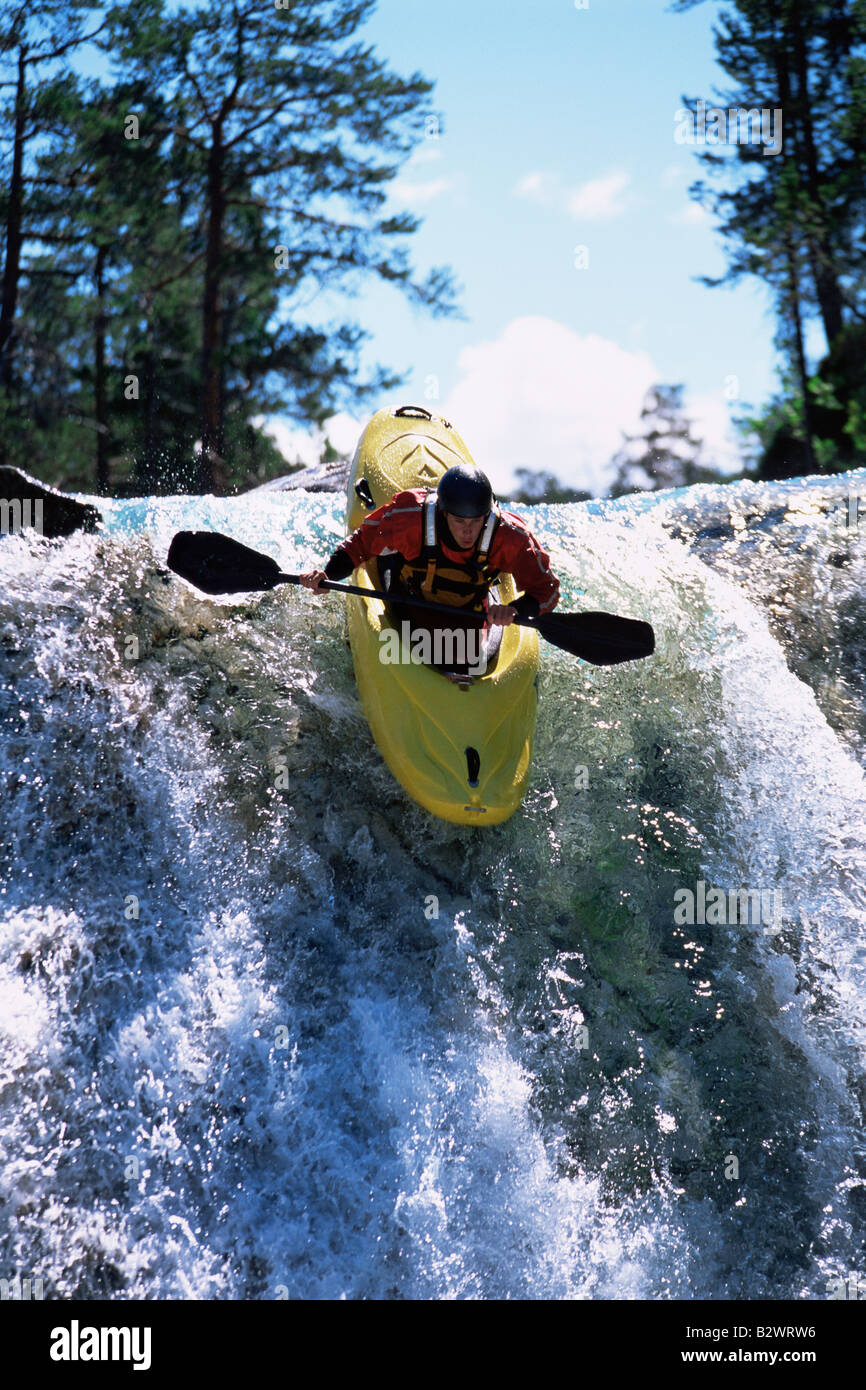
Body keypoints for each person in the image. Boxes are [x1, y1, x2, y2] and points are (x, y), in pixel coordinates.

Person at [299, 463, 560, 673]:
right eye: (459, 521)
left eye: (476, 521)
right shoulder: (410, 517)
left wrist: (515, 610)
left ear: (487, 515)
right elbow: (360, 544)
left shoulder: (511, 537)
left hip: (470, 614)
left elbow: (547, 590)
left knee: (465, 657)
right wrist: (327, 574)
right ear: (444, 513)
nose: (468, 531)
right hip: (411, 601)